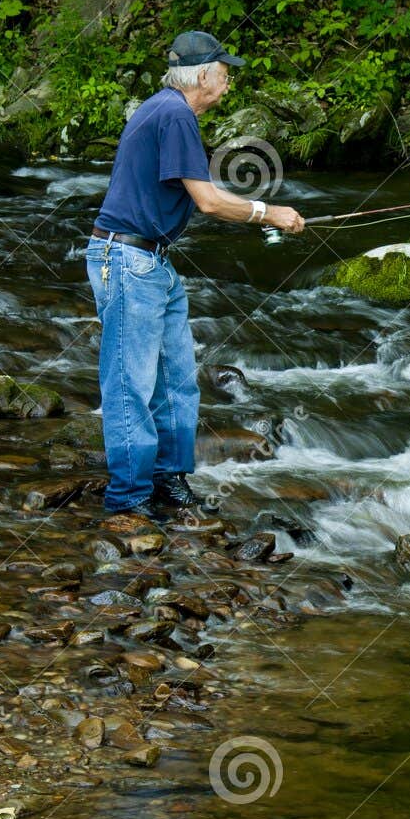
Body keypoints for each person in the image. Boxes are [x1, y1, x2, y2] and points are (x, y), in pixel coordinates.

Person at [86, 30, 305, 519]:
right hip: (125, 260)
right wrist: (269, 213)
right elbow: (207, 201)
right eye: (224, 76)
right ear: (202, 75)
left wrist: (260, 211)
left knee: (178, 379)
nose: (227, 86)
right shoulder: (175, 114)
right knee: (130, 384)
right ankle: (129, 498)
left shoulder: (165, 110)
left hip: (151, 262)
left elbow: (200, 193)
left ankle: (168, 479)